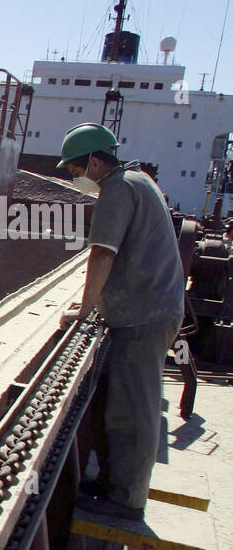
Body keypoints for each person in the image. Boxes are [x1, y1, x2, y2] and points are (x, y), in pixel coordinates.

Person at [57, 123, 186, 521]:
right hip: (147, 310)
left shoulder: (116, 189)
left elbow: (102, 253)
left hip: (142, 317)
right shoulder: (140, 179)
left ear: (95, 162)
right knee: (119, 404)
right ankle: (114, 484)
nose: (76, 179)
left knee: (133, 409)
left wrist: (84, 307)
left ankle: (127, 500)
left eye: (77, 171)